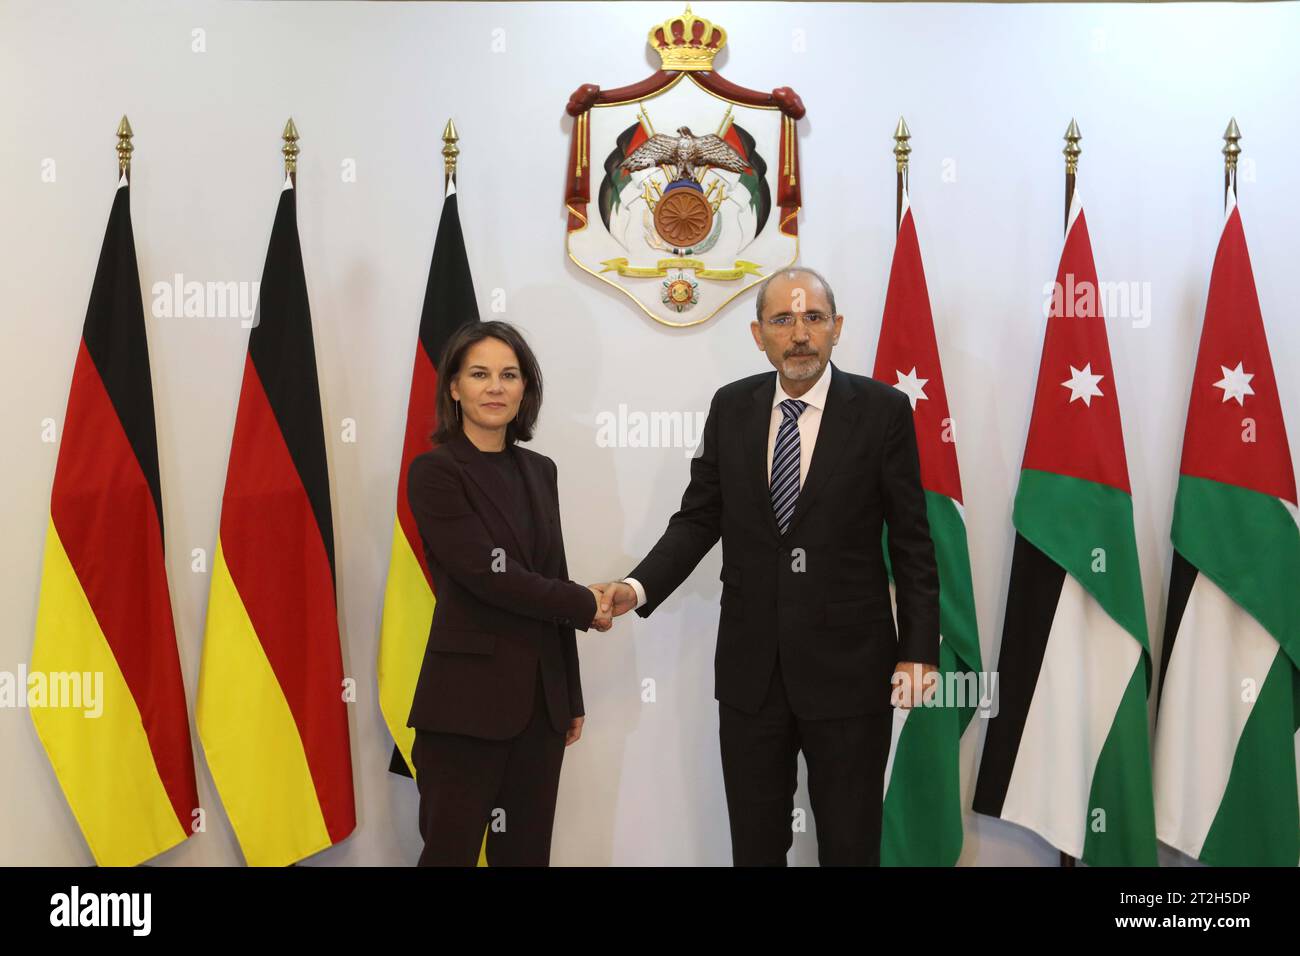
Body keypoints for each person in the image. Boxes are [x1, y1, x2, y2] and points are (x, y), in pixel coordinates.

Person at [597, 267, 940, 866]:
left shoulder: (883, 410)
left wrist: (917, 651)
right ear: (759, 334)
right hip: (752, 675)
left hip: (851, 674)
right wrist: (636, 585)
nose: (799, 333)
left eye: (813, 318)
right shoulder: (732, 407)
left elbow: (911, 540)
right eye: (783, 320)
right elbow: (699, 519)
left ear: (837, 329)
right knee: (755, 846)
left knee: (850, 843)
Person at [405, 320, 612, 866]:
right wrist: (586, 604)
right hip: (463, 708)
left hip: (540, 709)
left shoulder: (540, 471)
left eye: (509, 374)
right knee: (448, 856)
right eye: (479, 374)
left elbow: (551, 570)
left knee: (525, 857)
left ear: (525, 389)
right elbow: (488, 576)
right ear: (454, 388)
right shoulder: (434, 472)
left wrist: (568, 692)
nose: (495, 387)